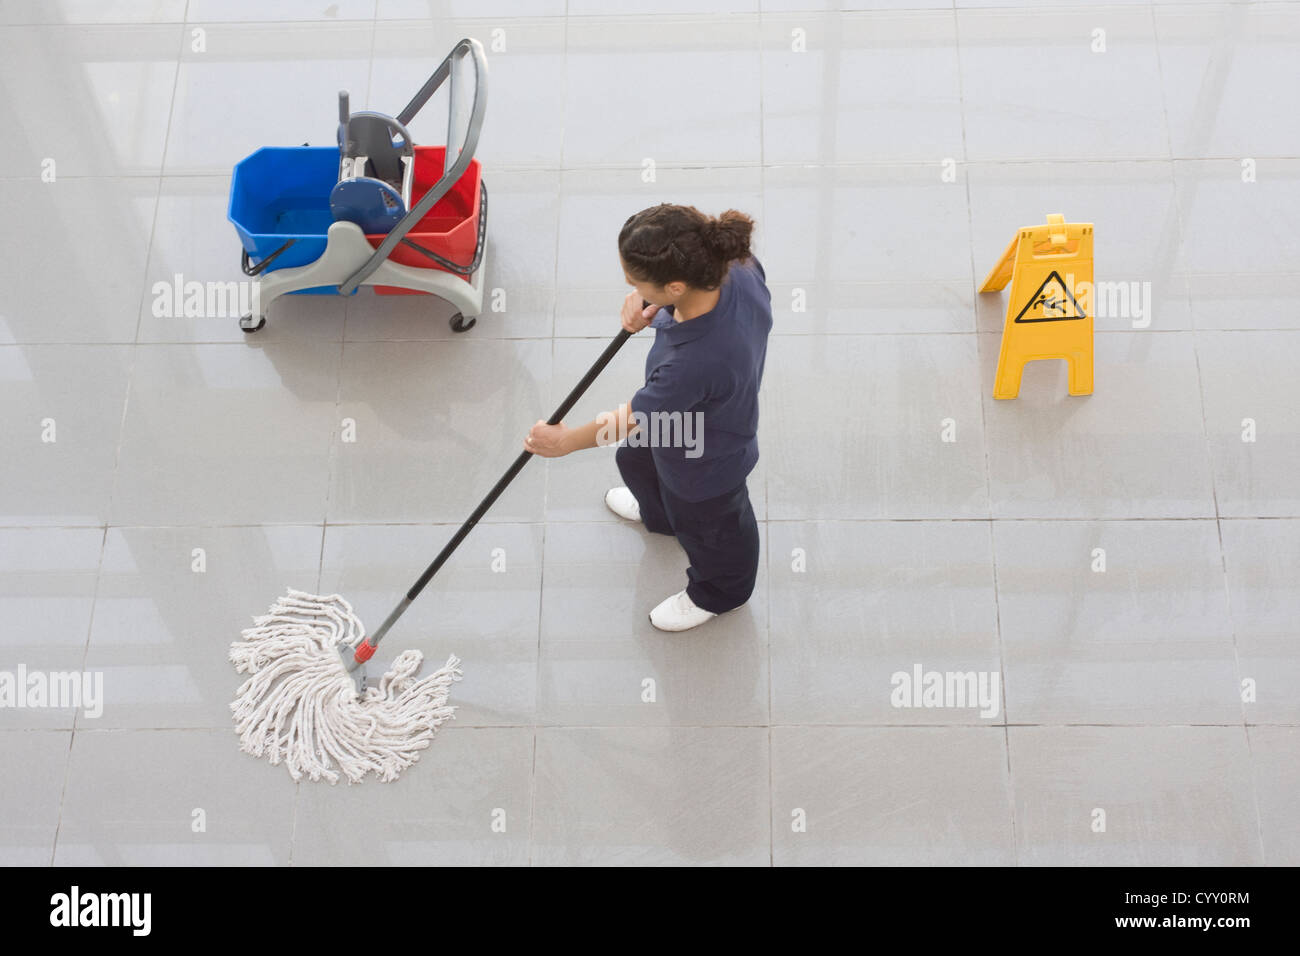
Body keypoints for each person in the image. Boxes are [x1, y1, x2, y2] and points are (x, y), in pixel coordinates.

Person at [524, 203, 773, 632]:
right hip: (677, 418)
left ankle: (721, 592)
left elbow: (634, 419)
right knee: (637, 462)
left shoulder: (697, 362)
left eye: (636, 282)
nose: (630, 288)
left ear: (676, 285)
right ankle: (660, 515)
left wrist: (565, 443)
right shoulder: (736, 264)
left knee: (710, 526)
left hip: (707, 452)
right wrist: (653, 304)